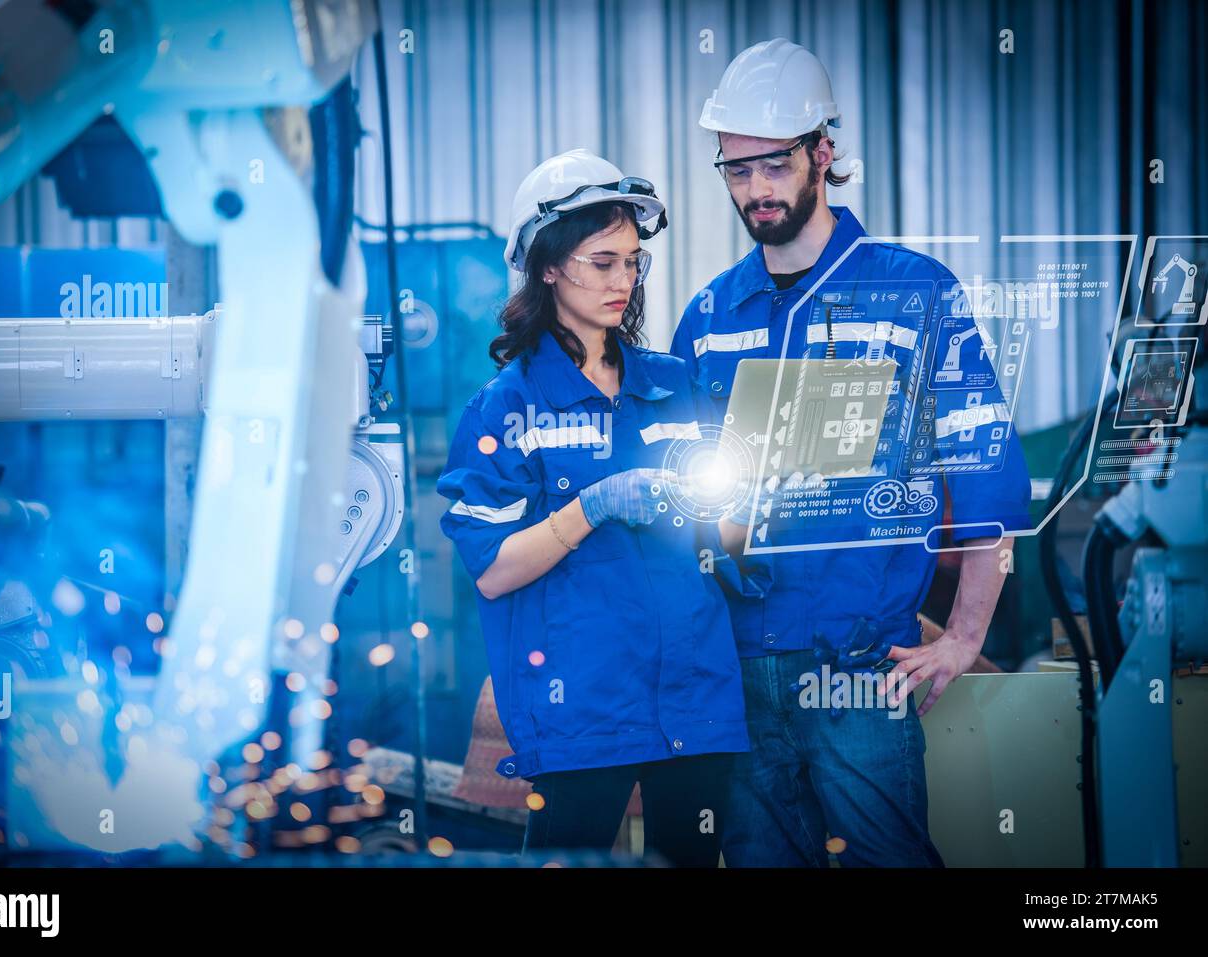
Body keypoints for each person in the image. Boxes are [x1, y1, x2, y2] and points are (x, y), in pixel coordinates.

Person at [673, 39, 1032, 867]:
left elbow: (982, 468)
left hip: (863, 669)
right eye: (736, 170)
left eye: (773, 165)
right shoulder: (709, 315)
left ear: (823, 155)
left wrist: (964, 636)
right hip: (741, 672)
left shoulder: (914, 292)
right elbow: (687, 496)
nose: (755, 189)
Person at [437, 149, 756, 866]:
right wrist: (593, 506)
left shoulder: (673, 385)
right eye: (602, 261)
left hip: (695, 701)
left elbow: (725, 535)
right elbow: (490, 568)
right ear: (548, 265)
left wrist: (759, 494)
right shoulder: (509, 405)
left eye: (633, 262)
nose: (624, 280)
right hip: (578, 710)